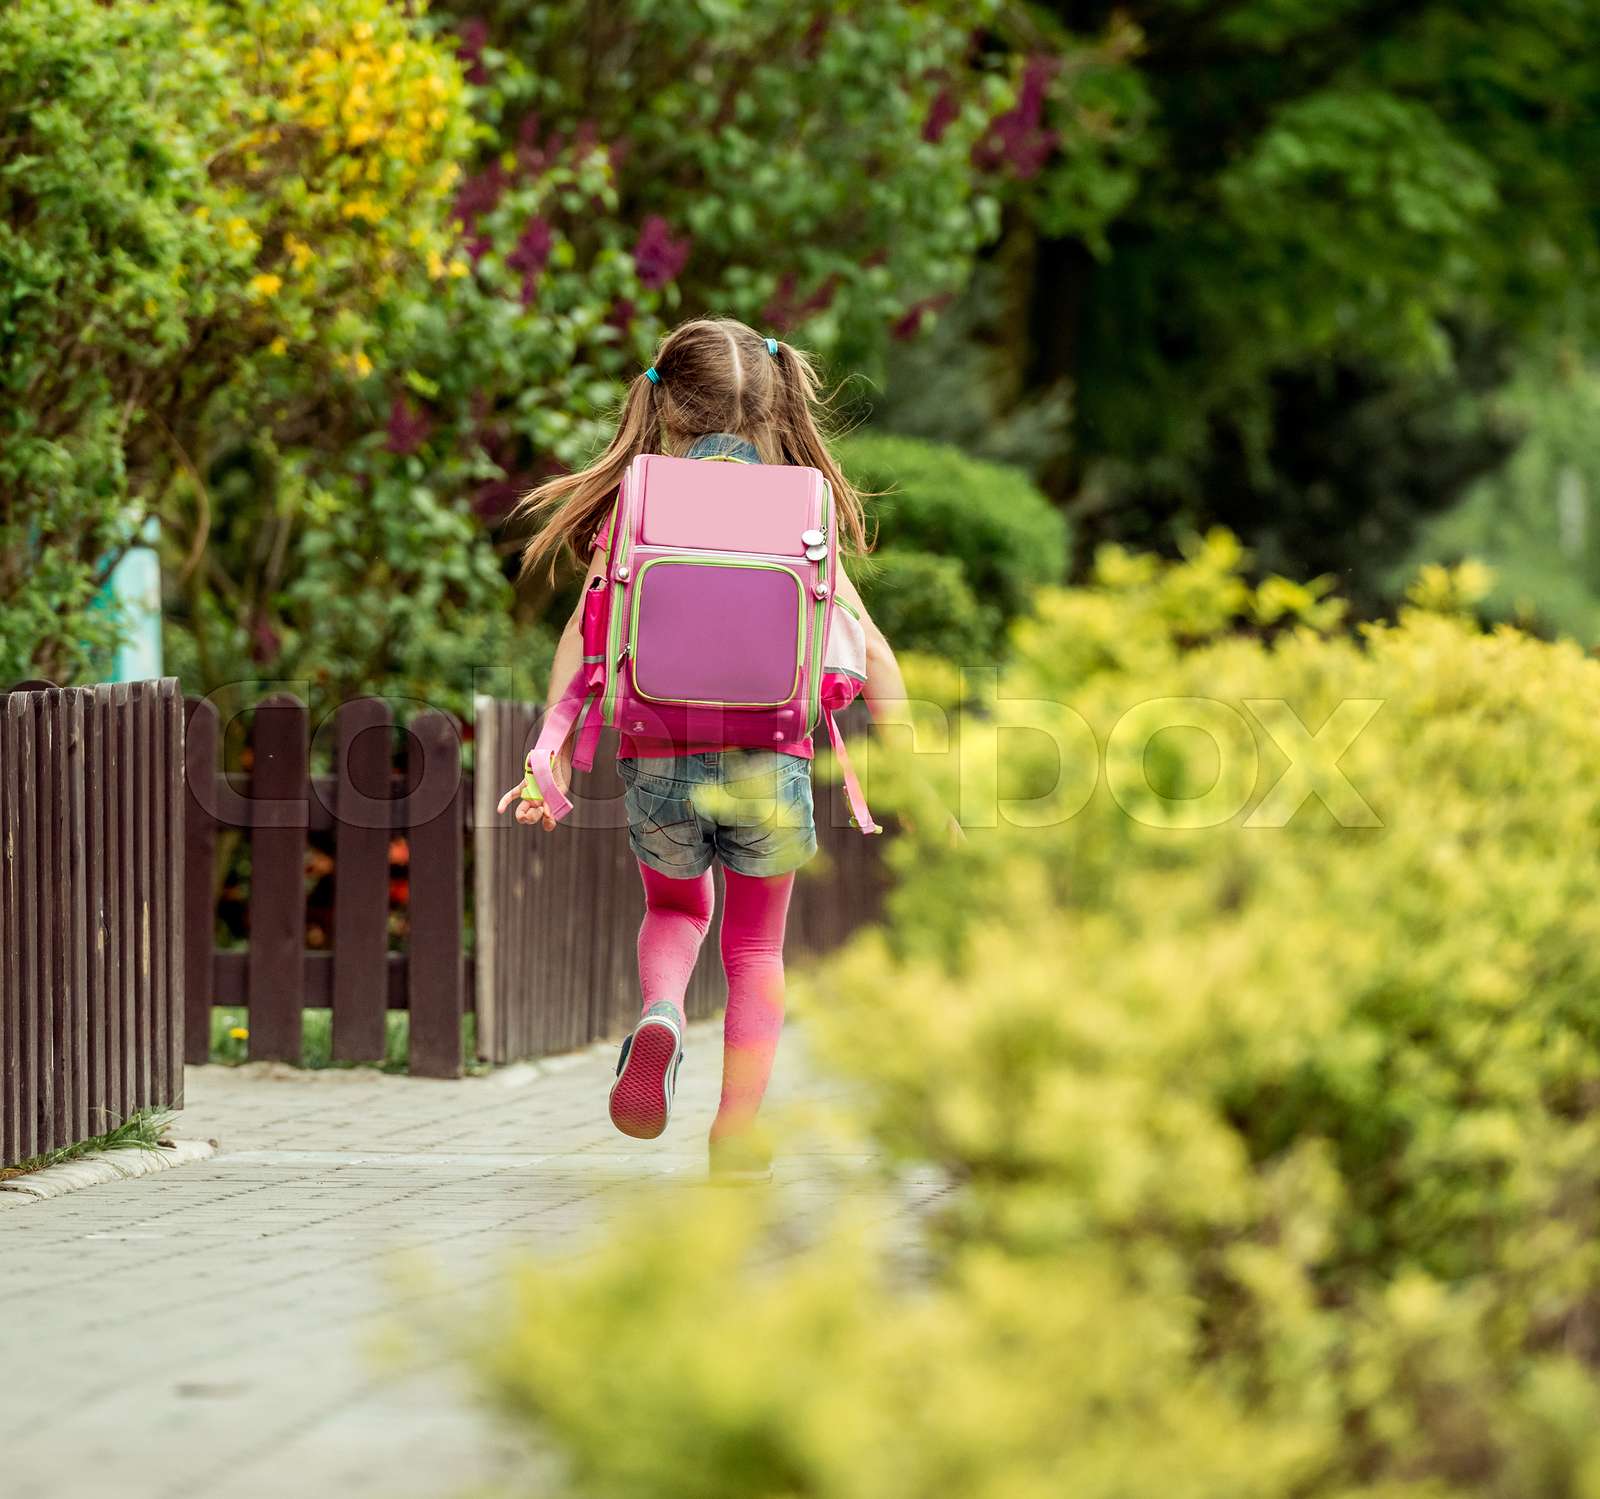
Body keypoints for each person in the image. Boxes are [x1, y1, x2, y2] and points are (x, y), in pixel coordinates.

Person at [497, 317, 911, 1180]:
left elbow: (585, 631)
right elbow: (869, 650)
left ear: (663, 404)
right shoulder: (806, 503)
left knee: (678, 911)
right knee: (757, 951)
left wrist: (551, 751)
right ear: (773, 399)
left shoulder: (638, 499)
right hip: (775, 753)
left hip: (656, 749)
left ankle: (660, 1013)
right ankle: (735, 1137)